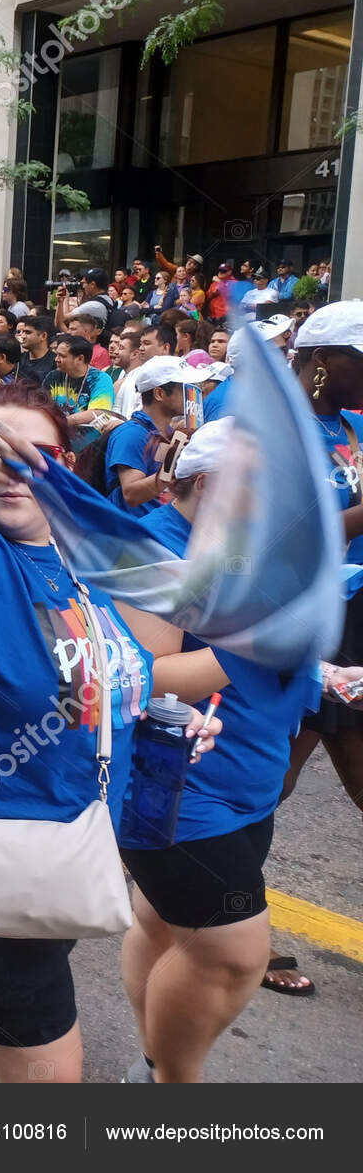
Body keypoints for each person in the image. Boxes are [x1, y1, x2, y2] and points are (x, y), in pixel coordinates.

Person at [0, 380, 217, 1082]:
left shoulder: (81, 562)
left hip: (64, 850)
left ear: (63, 467)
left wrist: (152, 712)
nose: (12, 470)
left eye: (35, 455)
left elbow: (117, 671)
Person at [120, 420, 320, 1081]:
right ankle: (171, 1086)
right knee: (234, 955)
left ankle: (150, 1066)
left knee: (159, 924)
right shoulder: (153, 551)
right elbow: (145, 677)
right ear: (209, 485)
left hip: (248, 780)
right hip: (178, 788)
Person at [275, 306, 363, 996]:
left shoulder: (352, 425)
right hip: (299, 620)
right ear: (326, 359)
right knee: (267, 778)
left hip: (354, 621)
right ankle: (225, 914)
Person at [105, 355, 207, 514]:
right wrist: (168, 470)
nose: (190, 394)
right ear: (159, 393)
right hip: (133, 527)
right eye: (185, 389)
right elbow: (131, 495)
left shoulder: (169, 433)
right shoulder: (132, 434)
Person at [42, 335, 115, 425]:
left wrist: (63, 422)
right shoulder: (53, 376)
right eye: (57, 355)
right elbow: (40, 406)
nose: (56, 359)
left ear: (80, 358)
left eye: (62, 356)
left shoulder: (99, 379)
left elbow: (98, 412)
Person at [14, 314, 57, 386]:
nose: (22, 336)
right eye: (22, 332)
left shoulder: (56, 362)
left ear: (43, 336)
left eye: (28, 332)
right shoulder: (18, 359)